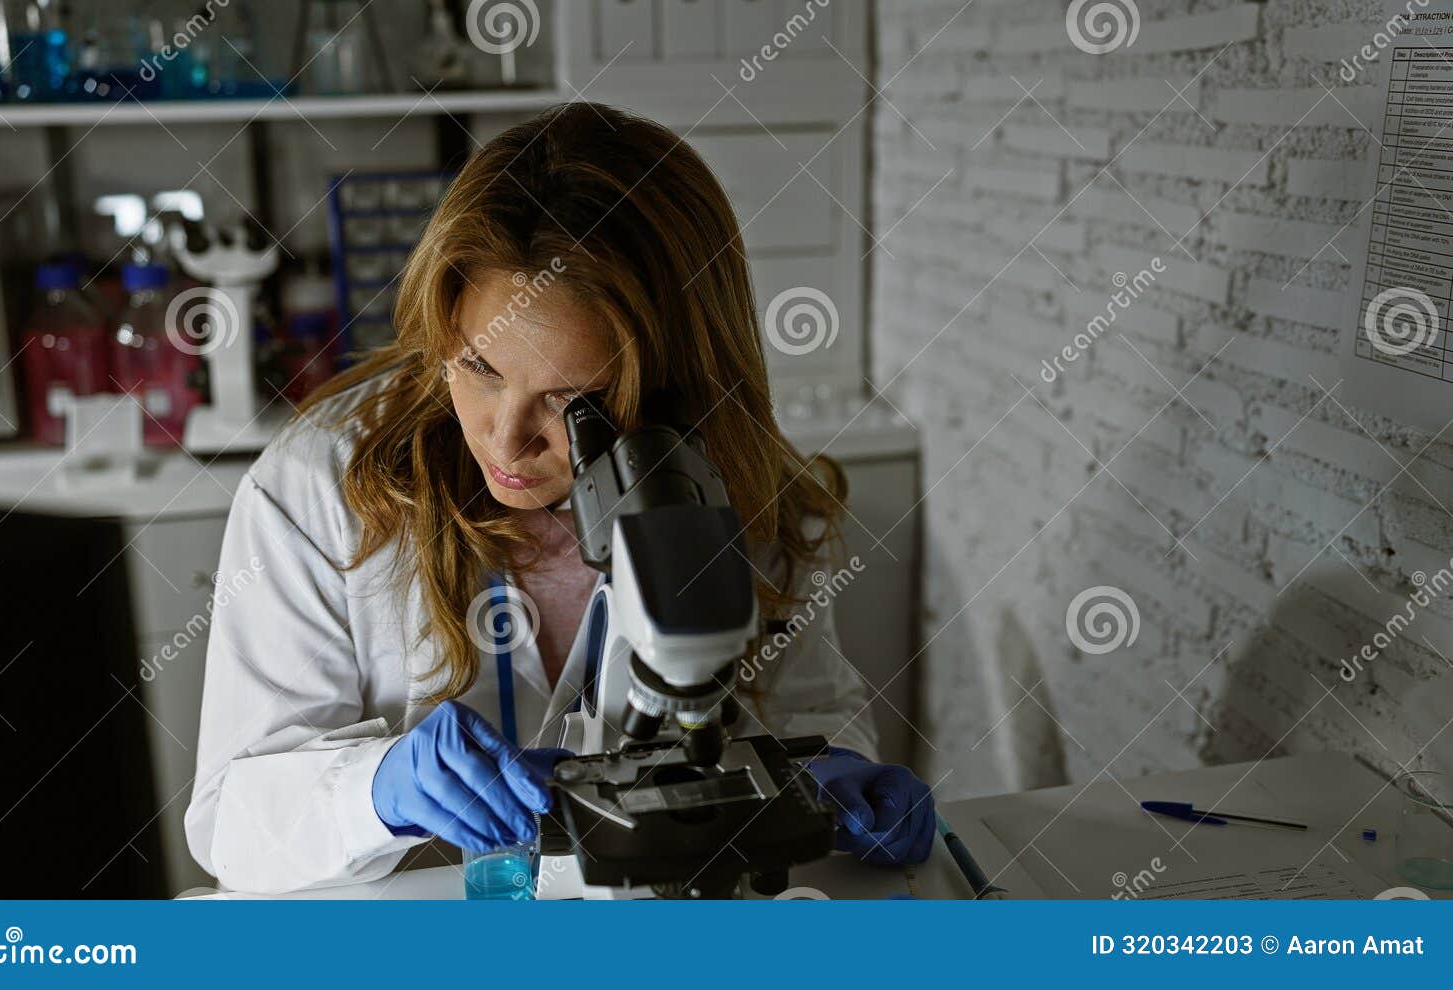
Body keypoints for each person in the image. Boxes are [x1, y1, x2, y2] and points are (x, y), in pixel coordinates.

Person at [184, 102, 935, 894]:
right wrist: (375, 790)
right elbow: (232, 827)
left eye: (573, 400)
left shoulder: (735, 486)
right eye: (479, 367)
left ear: (680, 384)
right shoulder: (314, 490)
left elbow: (810, 719)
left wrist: (842, 774)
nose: (506, 440)